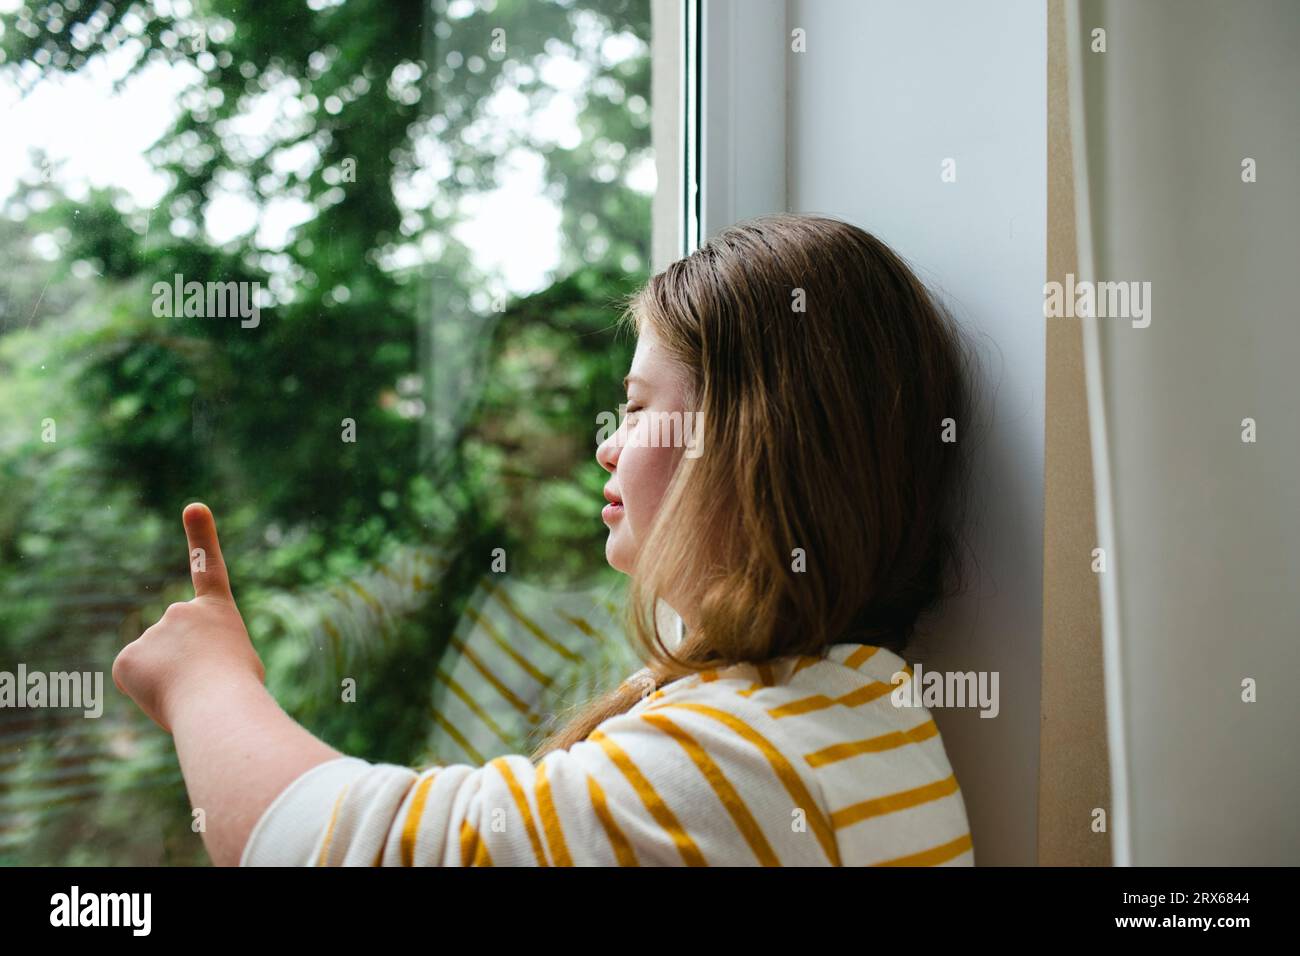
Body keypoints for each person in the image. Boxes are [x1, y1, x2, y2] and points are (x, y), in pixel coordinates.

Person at [113, 212, 978, 866]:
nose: (606, 440)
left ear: (748, 444)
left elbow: (338, 845)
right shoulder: (859, 703)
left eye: (635, 408)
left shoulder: (752, 762)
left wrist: (205, 680)